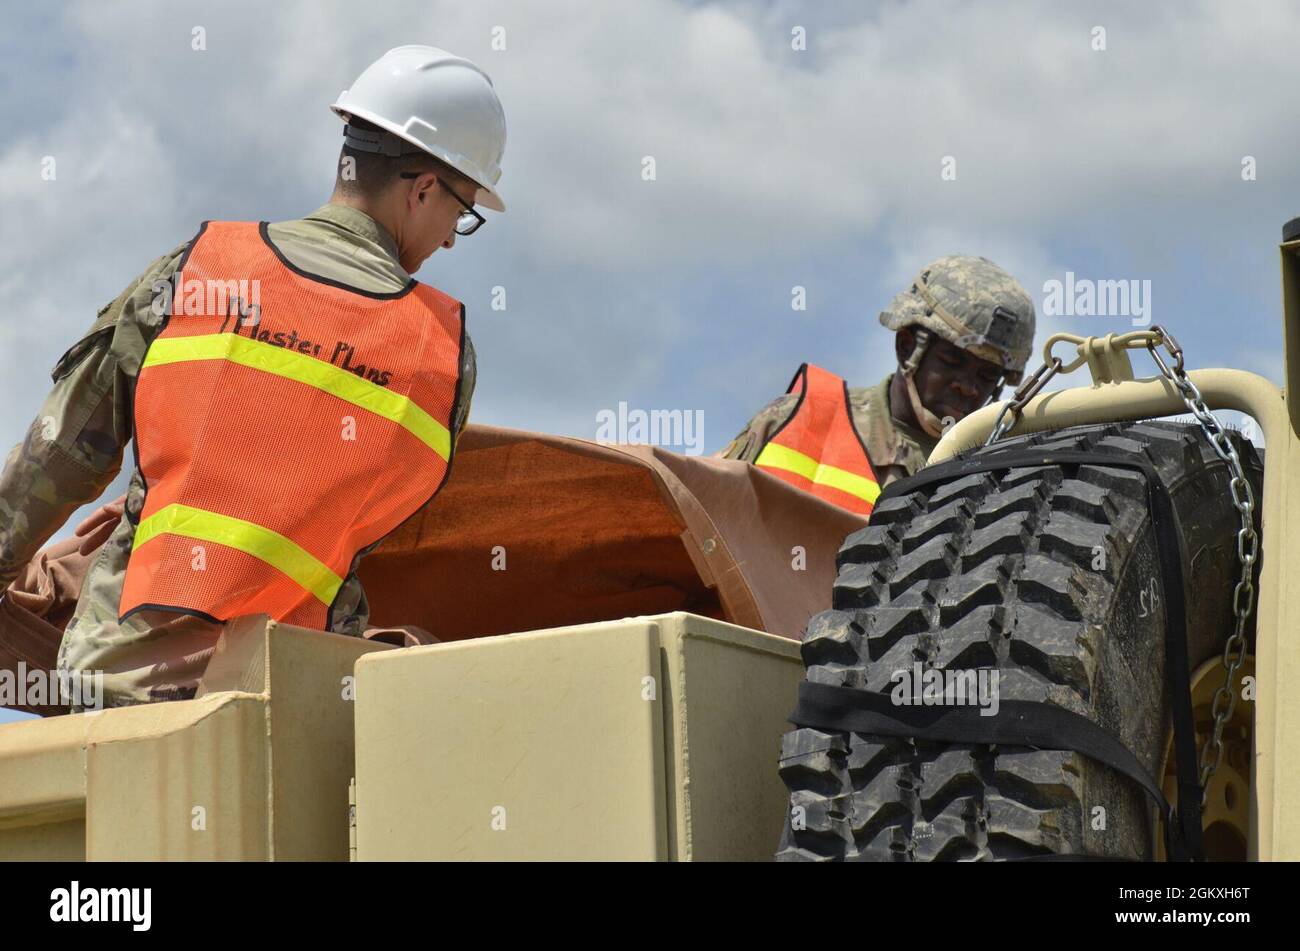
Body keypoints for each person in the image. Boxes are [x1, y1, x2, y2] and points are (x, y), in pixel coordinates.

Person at [0, 45, 507, 707]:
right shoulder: (442, 357)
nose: (446, 241)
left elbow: (59, 457)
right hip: (283, 707)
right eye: (460, 217)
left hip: (114, 688)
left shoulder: (199, 270)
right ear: (422, 189)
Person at [719, 255, 1036, 513]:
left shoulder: (992, 477)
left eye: (986, 376)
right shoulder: (795, 423)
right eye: (952, 362)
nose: (967, 387)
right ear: (907, 346)